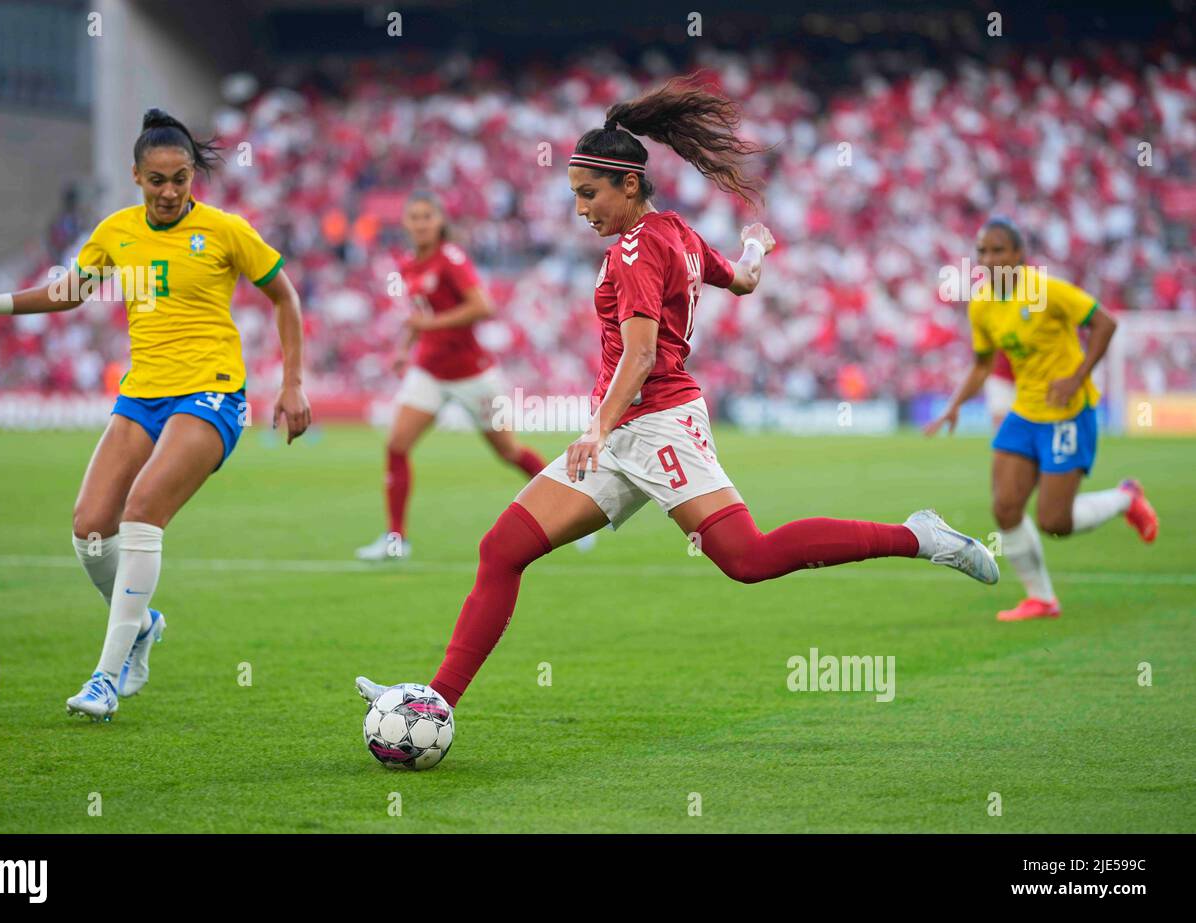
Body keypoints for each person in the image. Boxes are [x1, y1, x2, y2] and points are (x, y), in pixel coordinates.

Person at [356, 76, 998, 716]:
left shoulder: (638, 250)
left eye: (588, 194)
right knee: (502, 550)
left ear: (628, 184)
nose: (581, 209)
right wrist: (753, 245)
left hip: (657, 424)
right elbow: (743, 281)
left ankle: (919, 536)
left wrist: (595, 430)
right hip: (629, 427)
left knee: (748, 559)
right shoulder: (677, 232)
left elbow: (639, 356)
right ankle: (434, 702)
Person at [0, 108, 312, 719]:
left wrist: (292, 384)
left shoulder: (227, 231)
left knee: (142, 511)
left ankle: (104, 677)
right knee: (89, 529)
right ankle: (142, 625)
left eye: (181, 178)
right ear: (135, 176)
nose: (171, 191)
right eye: (158, 180)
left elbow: (284, 295)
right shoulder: (117, 231)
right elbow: (67, 293)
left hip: (212, 393)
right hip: (141, 395)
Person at [925, 217, 1158, 621]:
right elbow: (983, 365)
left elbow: (1105, 323)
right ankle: (1042, 599)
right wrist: (955, 403)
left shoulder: (1046, 290)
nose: (989, 258)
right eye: (982, 251)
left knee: (1055, 521)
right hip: (1026, 412)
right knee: (1006, 507)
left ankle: (1126, 498)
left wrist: (1078, 376)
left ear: (1018, 255)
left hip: (1068, 413)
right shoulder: (981, 302)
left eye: (998, 250)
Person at [355, 191, 550, 561]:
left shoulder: (452, 259)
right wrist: (403, 349)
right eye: (415, 217)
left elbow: (483, 306)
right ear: (406, 223)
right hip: (429, 371)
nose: (421, 223)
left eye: (428, 216)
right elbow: (419, 314)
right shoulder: (410, 265)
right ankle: (397, 540)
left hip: (472, 374)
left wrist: (429, 324)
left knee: (509, 451)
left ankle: (573, 504)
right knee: (396, 445)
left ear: (440, 221)